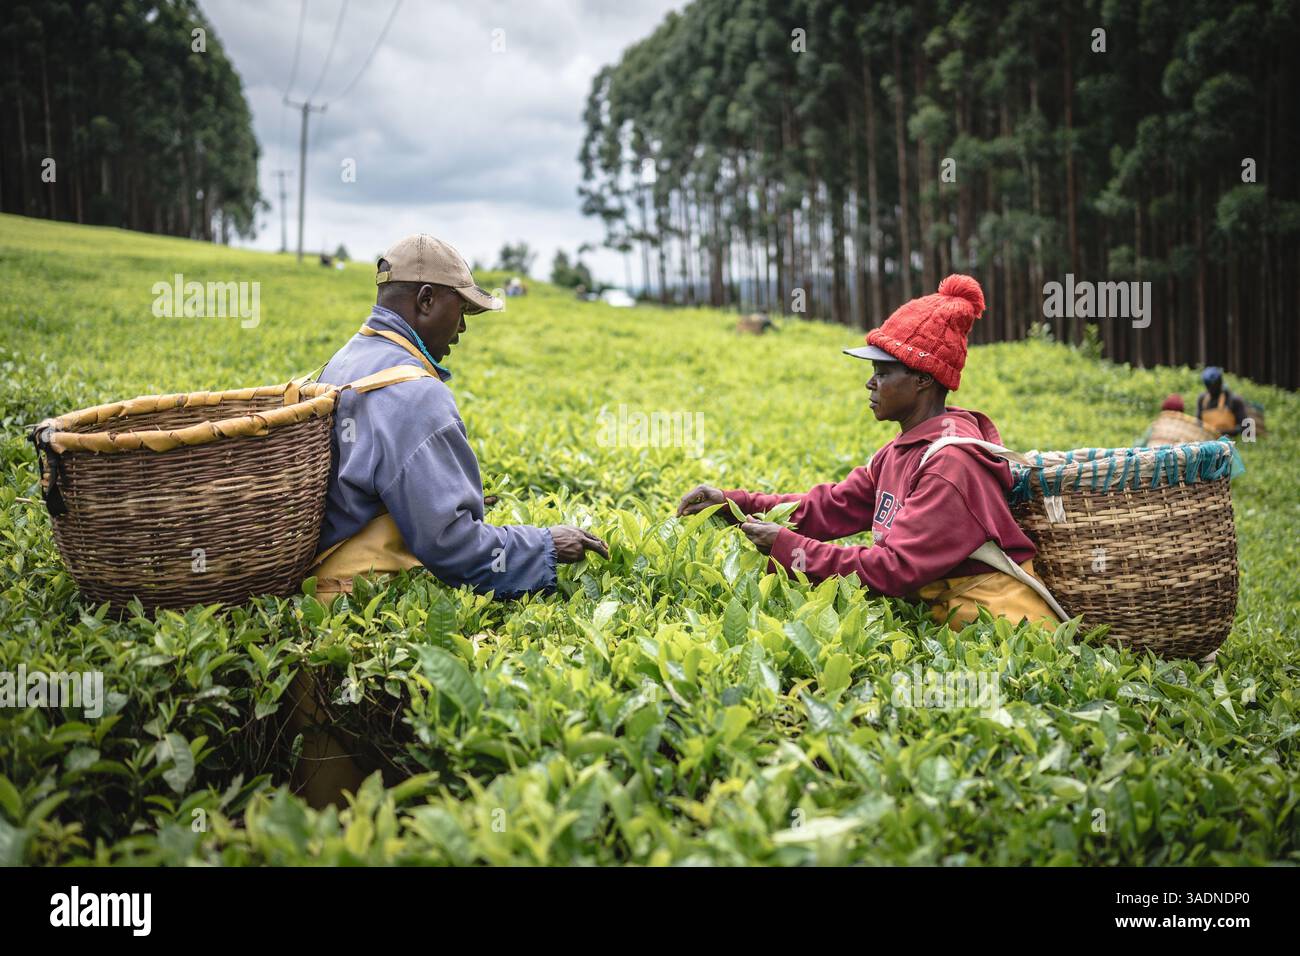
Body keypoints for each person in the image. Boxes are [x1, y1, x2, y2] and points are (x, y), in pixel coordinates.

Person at [677, 274, 1061, 630]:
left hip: (1001, 630)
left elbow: (893, 570)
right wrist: (731, 503)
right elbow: (828, 507)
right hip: (949, 621)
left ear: (924, 379)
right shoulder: (900, 451)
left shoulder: (950, 464)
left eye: (883, 372)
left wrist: (787, 547)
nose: (870, 383)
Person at [310, 233, 608, 600]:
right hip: (355, 596)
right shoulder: (415, 393)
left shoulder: (342, 360)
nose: (462, 328)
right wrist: (546, 544)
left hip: (315, 582)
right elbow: (453, 546)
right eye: (461, 311)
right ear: (426, 300)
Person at [1196, 366, 1248, 436]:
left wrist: (1223, 432)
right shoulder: (1202, 400)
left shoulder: (1233, 400)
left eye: (1215, 385)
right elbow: (1198, 424)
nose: (1212, 388)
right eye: (1210, 386)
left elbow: (1244, 427)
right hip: (1207, 441)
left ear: (1220, 383)